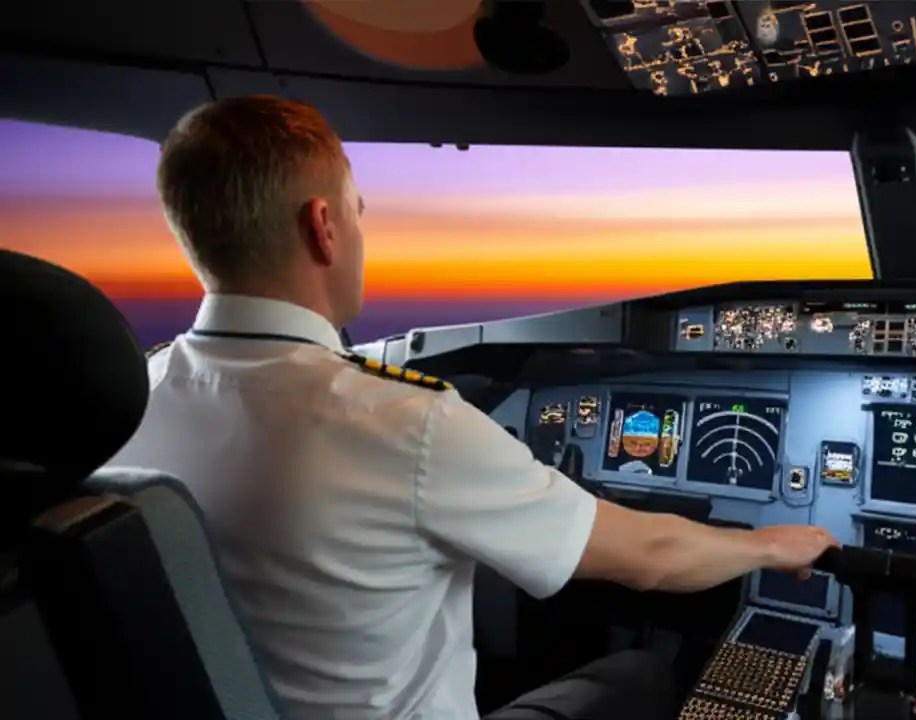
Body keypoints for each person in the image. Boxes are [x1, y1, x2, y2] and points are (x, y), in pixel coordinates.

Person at [107, 95, 838, 720]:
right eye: (359, 214)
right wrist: (772, 545)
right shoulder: (406, 423)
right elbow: (652, 557)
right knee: (642, 677)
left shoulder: (123, 403)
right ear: (323, 226)